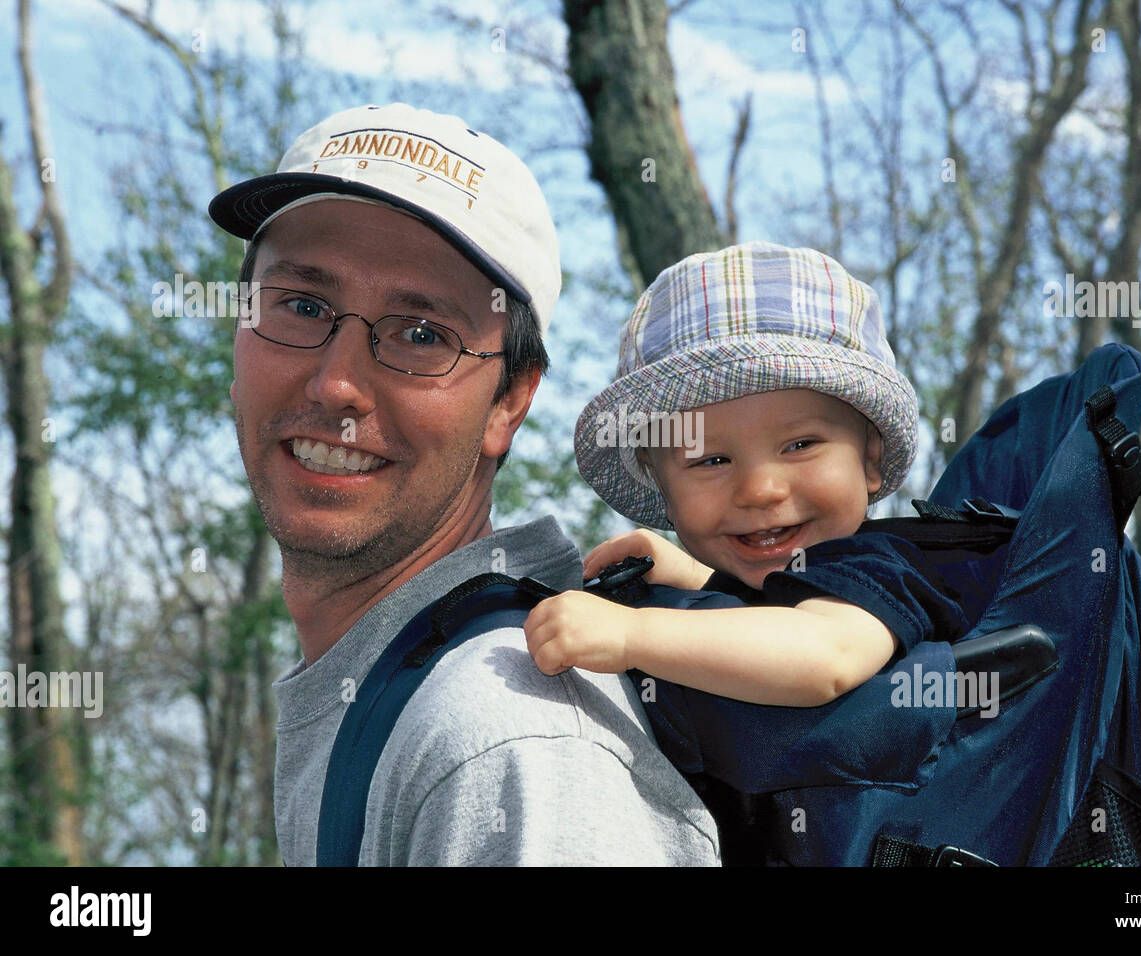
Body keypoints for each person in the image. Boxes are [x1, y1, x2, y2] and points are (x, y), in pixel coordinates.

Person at [209, 103, 720, 865]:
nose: (337, 383)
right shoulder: (400, 686)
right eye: (304, 306)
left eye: (422, 335)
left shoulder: (505, 742)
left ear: (509, 402)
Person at [526, 241, 980, 709]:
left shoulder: (880, 569)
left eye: (800, 446)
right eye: (711, 461)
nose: (760, 491)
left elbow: (824, 656)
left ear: (869, 459)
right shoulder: (760, 585)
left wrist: (630, 633)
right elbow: (759, 617)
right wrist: (695, 579)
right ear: (662, 487)